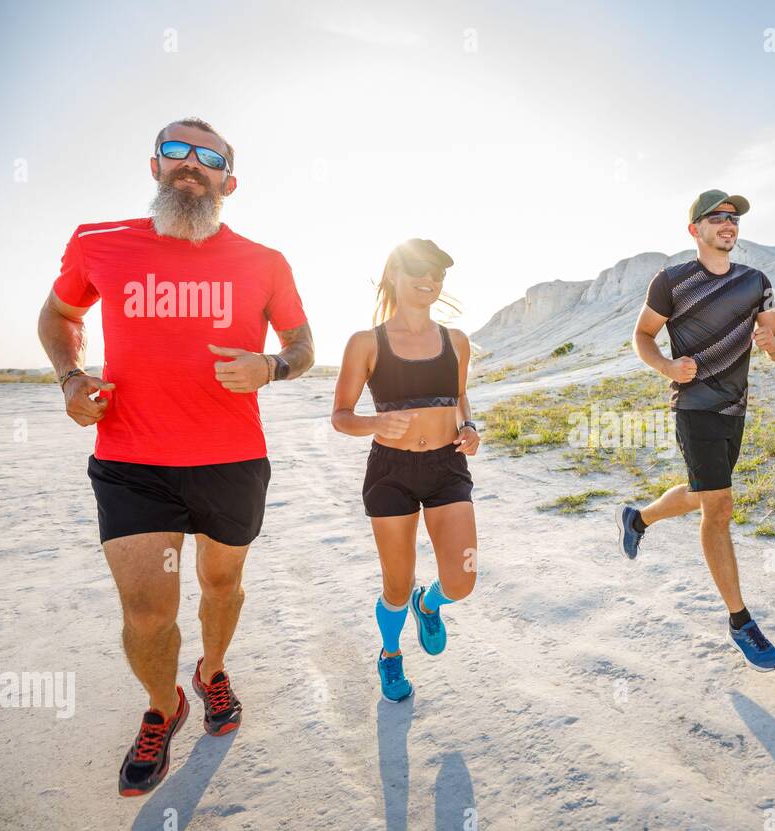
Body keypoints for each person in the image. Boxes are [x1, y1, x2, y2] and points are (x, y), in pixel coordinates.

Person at [38, 118, 315, 796]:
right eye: (176, 151)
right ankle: (163, 707)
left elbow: (305, 346)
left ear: (229, 180)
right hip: (132, 462)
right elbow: (59, 317)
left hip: (231, 461)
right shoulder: (98, 242)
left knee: (221, 587)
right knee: (146, 613)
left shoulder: (266, 261)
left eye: (209, 157)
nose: (192, 163)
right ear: (154, 166)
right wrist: (71, 378)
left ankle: (212, 671)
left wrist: (273, 366)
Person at [615, 190, 775, 671]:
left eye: (733, 218)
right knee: (719, 506)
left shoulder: (757, 281)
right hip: (694, 405)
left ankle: (638, 519)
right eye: (717, 218)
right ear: (695, 230)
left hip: (736, 407)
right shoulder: (672, 282)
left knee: (704, 492)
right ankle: (740, 621)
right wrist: (668, 368)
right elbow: (643, 335)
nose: (728, 224)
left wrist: (772, 341)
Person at [331, 239, 479, 702]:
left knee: (462, 580)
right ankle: (390, 654)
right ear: (393, 275)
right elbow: (341, 415)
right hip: (390, 471)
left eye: (438, 273)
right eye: (419, 269)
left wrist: (470, 426)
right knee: (395, 583)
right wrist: (375, 423)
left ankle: (428, 603)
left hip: (446, 466)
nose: (430, 279)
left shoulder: (456, 341)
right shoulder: (364, 343)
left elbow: (458, 398)